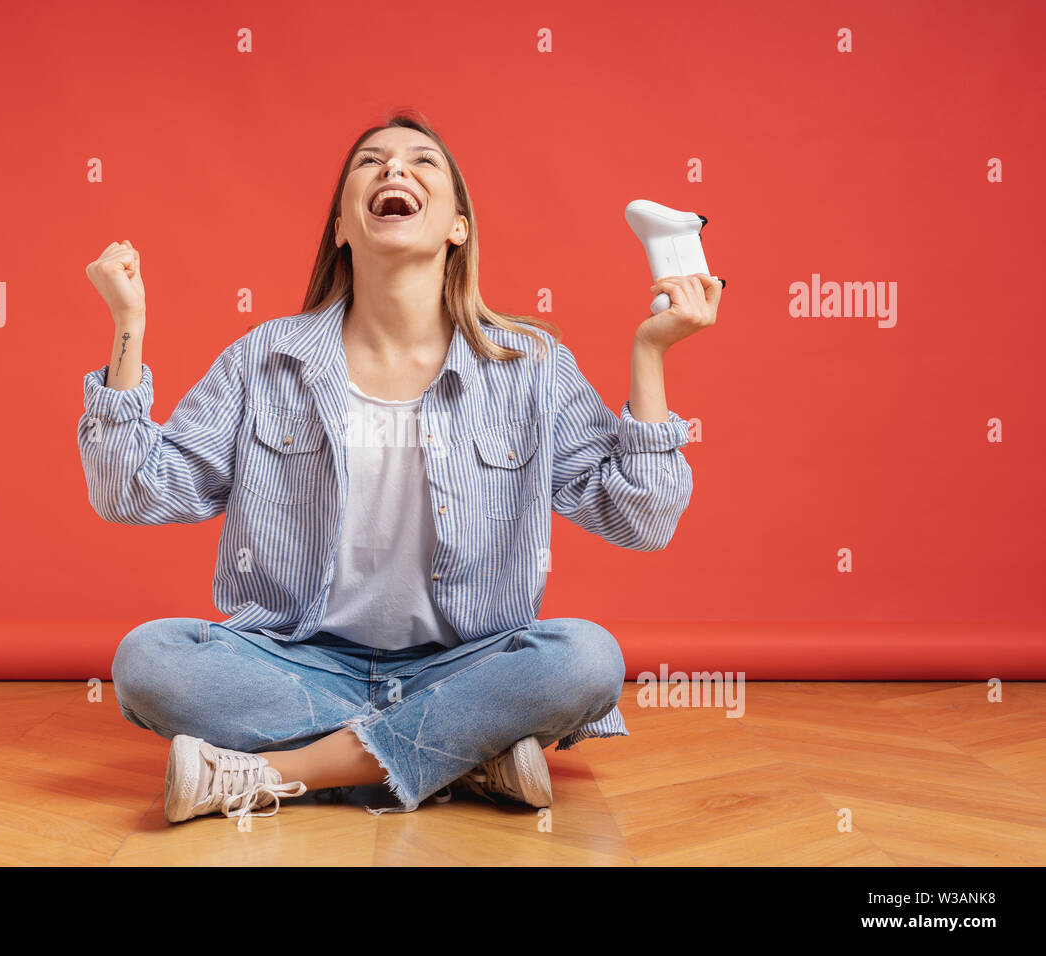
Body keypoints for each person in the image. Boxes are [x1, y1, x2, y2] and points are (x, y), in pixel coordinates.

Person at [78, 109, 722, 825]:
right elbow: (131, 491)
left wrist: (651, 356)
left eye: (422, 162)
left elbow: (643, 518)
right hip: (298, 660)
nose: (393, 169)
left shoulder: (529, 367)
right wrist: (127, 325)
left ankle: (275, 772)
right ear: (343, 228)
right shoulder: (265, 358)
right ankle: (467, 753)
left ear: (458, 227)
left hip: (467, 661)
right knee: (149, 660)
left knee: (585, 658)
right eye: (370, 161)